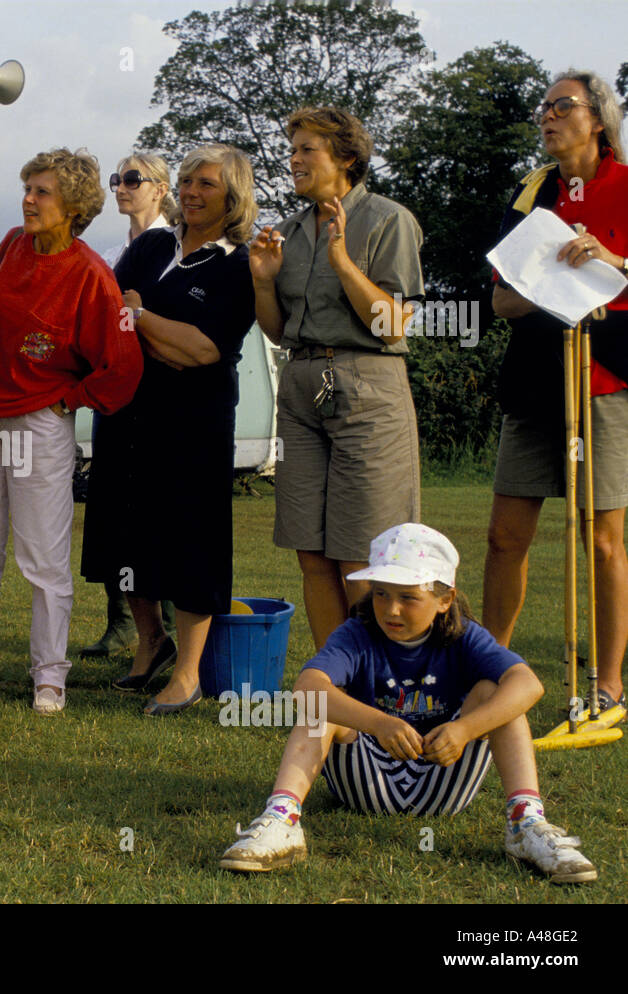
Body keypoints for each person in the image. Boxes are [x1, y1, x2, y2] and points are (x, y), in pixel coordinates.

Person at [219, 523, 597, 884]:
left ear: (445, 599)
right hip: (366, 782)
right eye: (381, 593)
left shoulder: (465, 636)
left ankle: (526, 822)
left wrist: (465, 729)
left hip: (443, 777)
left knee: (494, 693)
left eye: (408, 597)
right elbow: (305, 688)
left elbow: (529, 685)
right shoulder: (357, 632)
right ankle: (282, 817)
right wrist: (379, 724)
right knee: (324, 701)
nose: (391, 609)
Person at [0, 148, 142, 714]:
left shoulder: (91, 274)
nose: (29, 200)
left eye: (42, 193)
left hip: (40, 421)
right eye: (28, 189)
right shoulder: (11, 244)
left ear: (75, 207)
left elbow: (122, 364)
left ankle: (49, 673)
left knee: (41, 555)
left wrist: (72, 399)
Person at [82, 144, 257, 715]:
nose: (190, 190)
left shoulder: (239, 263)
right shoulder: (154, 244)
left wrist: (145, 318)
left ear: (233, 194)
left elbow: (203, 350)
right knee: (126, 530)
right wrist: (151, 331)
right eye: (185, 180)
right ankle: (151, 641)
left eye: (205, 183)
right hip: (127, 413)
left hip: (192, 423)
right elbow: (110, 315)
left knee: (189, 540)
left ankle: (188, 675)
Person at [250, 106, 424, 650]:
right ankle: (337, 685)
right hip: (301, 386)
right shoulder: (292, 230)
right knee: (310, 549)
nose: (294, 158)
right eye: (293, 147)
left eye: (308, 149)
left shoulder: (388, 220)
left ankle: (380, 684)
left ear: (346, 158)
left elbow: (392, 323)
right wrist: (263, 282)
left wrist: (343, 261)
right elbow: (279, 331)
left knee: (362, 553)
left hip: (367, 389)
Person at [484, 70, 628, 721]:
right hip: (534, 377)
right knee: (506, 535)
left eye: (561, 105)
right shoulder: (532, 192)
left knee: (602, 539)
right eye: (542, 106)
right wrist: (544, 285)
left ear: (597, 118)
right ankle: (490, 669)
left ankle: (609, 683)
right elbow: (501, 297)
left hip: (602, 380)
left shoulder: (625, 186)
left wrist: (612, 262)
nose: (547, 115)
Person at [81, 151, 181, 660]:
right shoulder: (114, 249)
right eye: (116, 179)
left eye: (132, 179)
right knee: (113, 511)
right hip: (116, 397)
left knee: (146, 513)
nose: (120, 187)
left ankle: (159, 629)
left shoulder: (171, 246)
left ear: (161, 188)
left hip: (153, 396)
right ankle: (127, 625)